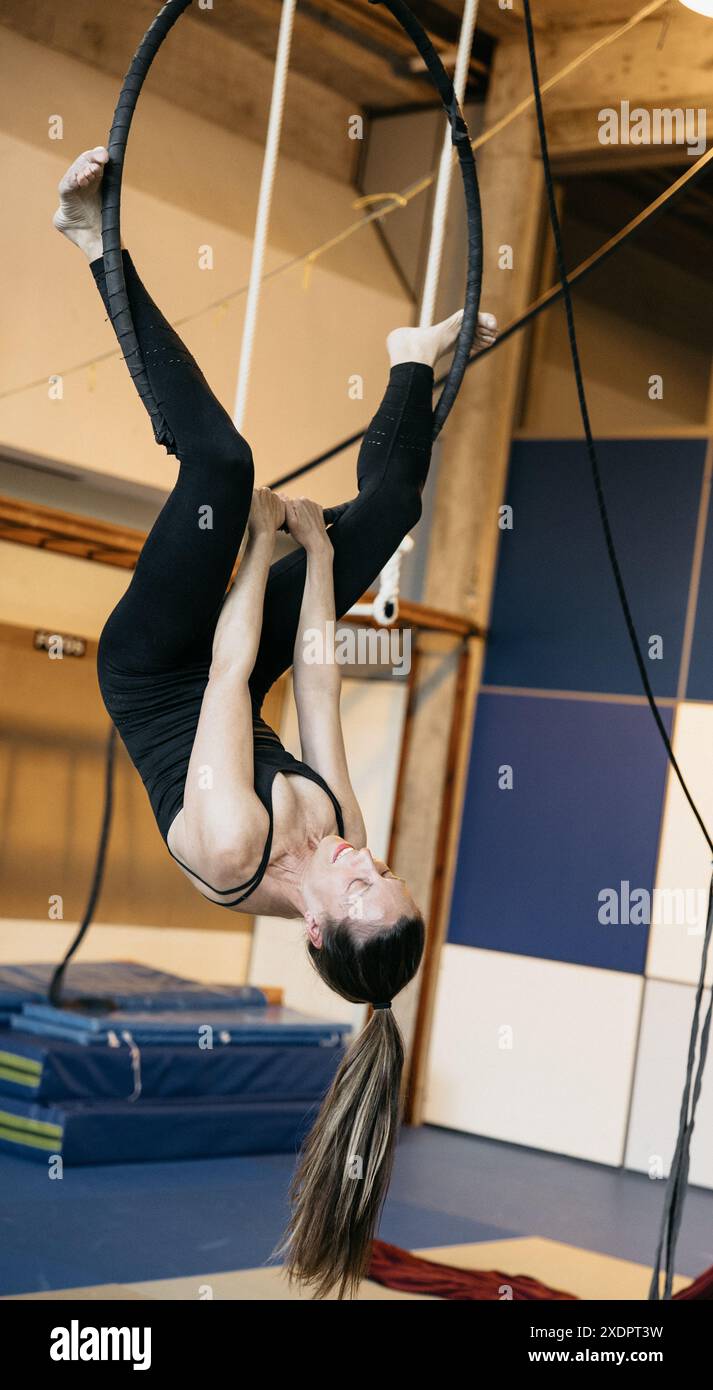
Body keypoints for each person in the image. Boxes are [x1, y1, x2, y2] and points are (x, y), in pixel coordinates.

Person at [54, 146, 497, 1297]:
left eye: (356, 887)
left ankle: (94, 241)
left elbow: (218, 678)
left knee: (221, 459)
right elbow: (311, 682)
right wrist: (317, 546)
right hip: (238, 663)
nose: (358, 856)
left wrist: (257, 538)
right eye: (382, 867)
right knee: (385, 507)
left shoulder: (236, 847)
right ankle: (408, 361)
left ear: (316, 929)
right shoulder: (337, 825)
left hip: (160, 671)